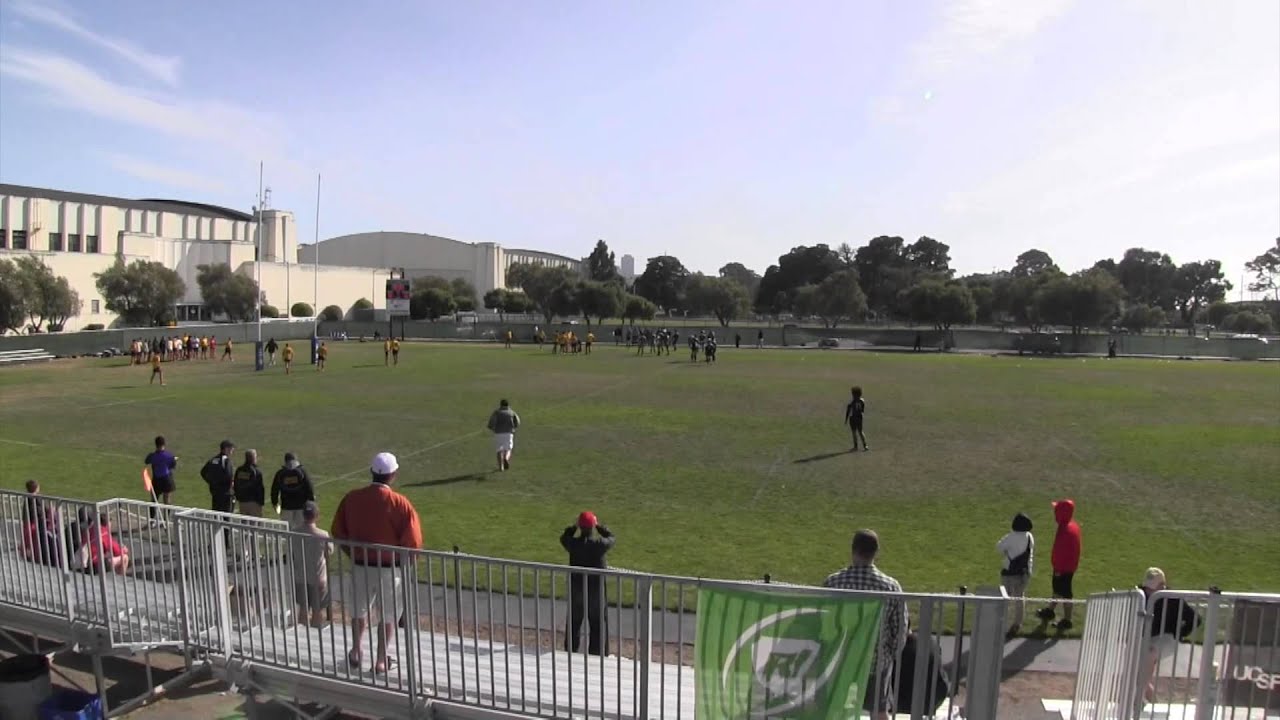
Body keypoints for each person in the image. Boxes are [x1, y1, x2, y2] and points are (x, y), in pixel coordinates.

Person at [331, 452, 423, 674]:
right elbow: (413, 542)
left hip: (360, 565)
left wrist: (352, 553)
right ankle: (381, 660)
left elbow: (338, 530)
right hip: (389, 569)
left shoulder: (352, 498)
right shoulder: (400, 503)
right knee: (389, 614)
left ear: (372, 472)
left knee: (358, 610)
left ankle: (356, 650)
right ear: (393, 475)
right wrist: (407, 563)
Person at [823, 530, 906, 720]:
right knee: (879, 711)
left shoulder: (833, 582)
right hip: (875, 661)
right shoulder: (891, 587)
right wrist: (889, 655)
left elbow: (825, 623)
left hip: (840, 658)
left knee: (834, 709)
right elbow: (900, 630)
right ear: (876, 552)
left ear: (853, 550)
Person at [1134, 568, 1200, 716]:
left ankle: (1138, 699)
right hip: (1146, 639)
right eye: (1147, 589)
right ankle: (1153, 704)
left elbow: (1195, 619)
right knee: (1141, 676)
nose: (1149, 593)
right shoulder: (1140, 596)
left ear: (1163, 586)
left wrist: (1178, 633)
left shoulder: (1173, 599)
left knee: (1149, 656)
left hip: (1167, 638)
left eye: (1153, 589)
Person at [561, 511, 614, 656]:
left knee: (574, 623)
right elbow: (611, 537)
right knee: (597, 625)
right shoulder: (599, 545)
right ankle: (596, 656)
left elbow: (564, 537)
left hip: (577, 589)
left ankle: (570, 655)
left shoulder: (574, 544)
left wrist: (574, 527)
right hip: (596, 591)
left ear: (581, 527)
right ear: (592, 527)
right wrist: (599, 526)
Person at [1037, 499, 1082, 630]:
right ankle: (1050, 611)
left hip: (1062, 568)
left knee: (1065, 592)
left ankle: (1067, 620)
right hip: (1069, 566)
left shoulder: (1065, 530)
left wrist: (1057, 569)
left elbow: (1059, 552)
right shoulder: (1072, 526)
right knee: (1058, 590)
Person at [291, 501, 334, 627]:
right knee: (317, 610)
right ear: (317, 516)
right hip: (317, 577)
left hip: (300, 576)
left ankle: (302, 635)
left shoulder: (294, 532)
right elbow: (329, 551)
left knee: (303, 609)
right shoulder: (322, 535)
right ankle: (315, 633)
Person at [997, 512, 1035, 637]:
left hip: (1010, 572)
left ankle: (1002, 622)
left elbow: (999, 547)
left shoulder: (1010, 537)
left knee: (1005, 597)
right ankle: (1017, 623)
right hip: (1024, 572)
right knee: (1019, 597)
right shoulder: (1030, 537)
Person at [272, 452, 315, 528]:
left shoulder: (280, 473)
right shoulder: (302, 472)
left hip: (286, 507)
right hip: (301, 507)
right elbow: (309, 488)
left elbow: (274, 490)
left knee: (287, 530)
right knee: (301, 530)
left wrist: (275, 503)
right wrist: (311, 503)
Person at [145, 435, 178, 525]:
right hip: (167, 480)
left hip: (156, 480)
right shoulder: (169, 455)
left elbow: (146, 461)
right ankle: (166, 520)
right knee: (167, 500)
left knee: (153, 500)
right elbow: (173, 466)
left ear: (155, 444)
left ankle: (152, 521)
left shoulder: (152, 456)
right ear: (164, 444)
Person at [200, 440, 236, 513]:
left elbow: (203, 472)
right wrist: (231, 487)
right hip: (226, 493)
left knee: (216, 513)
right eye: (231, 448)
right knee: (226, 516)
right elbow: (229, 476)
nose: (232, 450)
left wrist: (211, 482)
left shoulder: (213, 459)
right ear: (226, 448)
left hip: (215, 492)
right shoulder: (226, 460)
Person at [487, 399, 521, 471]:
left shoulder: (496, 412)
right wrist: (514, 427)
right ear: (508, 405)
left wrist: (491, 427)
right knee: (508, 449)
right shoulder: (511, 412)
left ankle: (501, 467)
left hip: (498, 433)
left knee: (499, 450)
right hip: (509, 433)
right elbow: (517, 422)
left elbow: (491, 422)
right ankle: (506, 458)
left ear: (500, 405)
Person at [233, 449, 265, 517]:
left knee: (244, 524)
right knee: (255, 525)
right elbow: (260, 488)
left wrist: (238, 496)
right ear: (253, 458)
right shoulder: (257, 472)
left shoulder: (239, 470)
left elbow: (236, 483)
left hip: (242, 502)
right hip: (254, 502)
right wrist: (261, 502)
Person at [845, 386, 869, 451]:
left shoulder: (852, 402)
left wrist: (846, 419)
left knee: (854, 432)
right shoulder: (862, 401)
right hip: (860, 418)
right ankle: (865, 445)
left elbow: (848, 411)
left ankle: (855, 447)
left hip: (853, 418)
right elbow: (862, 410)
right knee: (861, 432)